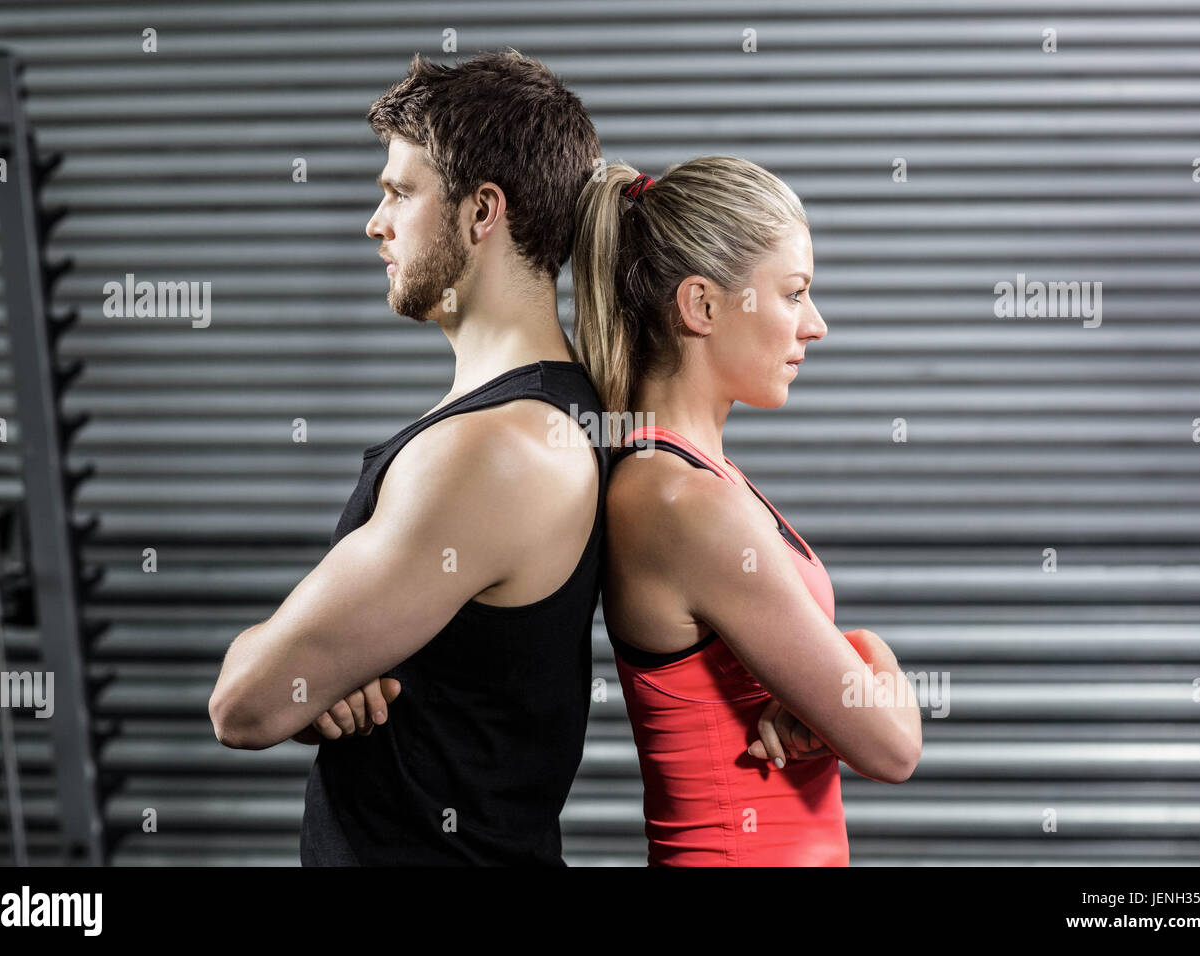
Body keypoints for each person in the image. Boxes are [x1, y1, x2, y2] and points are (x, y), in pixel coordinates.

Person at [208, 50, 609, 866]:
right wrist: (323, 671)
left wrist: (297, 663)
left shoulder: (498, 450)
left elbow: (243, 705)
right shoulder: (528, 417)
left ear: (481, 212)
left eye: (400, 191)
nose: (375, 220)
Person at [571, 157, 923, 865]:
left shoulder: (704, 479)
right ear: (701, 306)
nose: (816, 326)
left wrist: (835, 687)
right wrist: (869, 652)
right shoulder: (683, 501)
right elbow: (891, 747)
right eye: (794, 295)